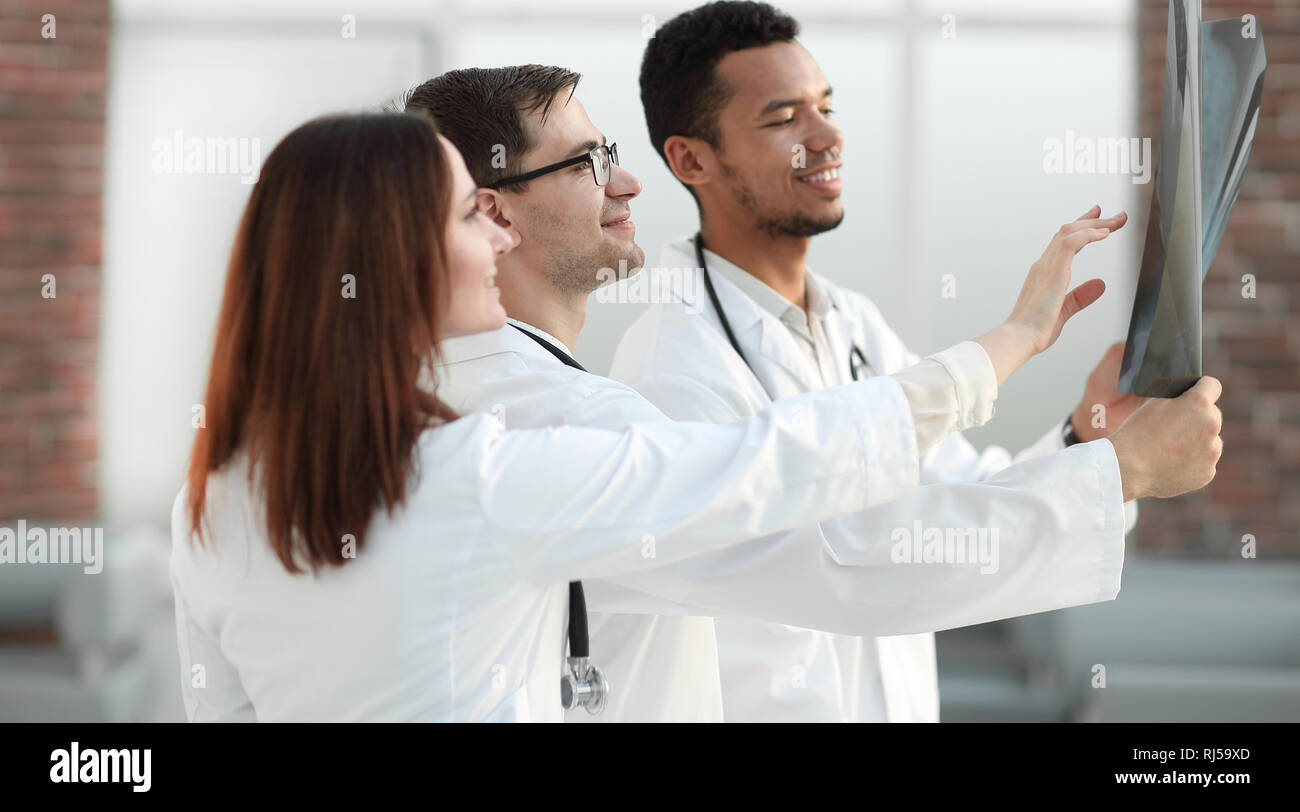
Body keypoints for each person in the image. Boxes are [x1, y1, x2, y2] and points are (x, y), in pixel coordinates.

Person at [168, 111, 1113, 722]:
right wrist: (1012, 344)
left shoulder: (209, 504)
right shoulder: (479, 480)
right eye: (470, 216)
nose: (497, 235)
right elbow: (767, 467)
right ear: (399, 259)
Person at [405, 66, 1223, 722]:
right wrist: (1096, 447)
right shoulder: (581, 413)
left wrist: (1087, 446)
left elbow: (927, 495)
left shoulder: (526, 395)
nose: (627, 181)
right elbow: (847, 555)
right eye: (587, 162)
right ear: (494, 212)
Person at [611, 0, 1218, 721]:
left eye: (827, 106)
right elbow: (849, 570)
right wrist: (1128, 470)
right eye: (784, 119)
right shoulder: (671, 367)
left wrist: (1088, 440)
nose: (828, 136)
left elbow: (950, 496)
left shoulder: (852, 322)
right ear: (691, 159)